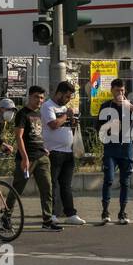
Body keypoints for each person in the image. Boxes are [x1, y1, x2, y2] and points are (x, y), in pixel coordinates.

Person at [5, 86, 61, 230]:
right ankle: (6, 216)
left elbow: (37, 134)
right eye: (36, 97)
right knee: (18, 188)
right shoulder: (22, 114)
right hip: (27, 157)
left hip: (41, 156)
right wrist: (24, 158)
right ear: (30, 97)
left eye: (42, 98)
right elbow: (19, 136)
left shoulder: (39, 113)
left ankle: (47, 220)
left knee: (47, 188)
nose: (39, 100)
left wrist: (44, 148)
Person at [42, 80, 85, 226]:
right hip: (54, 151)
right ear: (59, 93)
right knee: (53, 184)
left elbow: (68, 127)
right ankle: (51, 214)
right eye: (66, 96)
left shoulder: (65, 107)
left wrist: (72, 120)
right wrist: (67, 115)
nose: (68, 100)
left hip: (68, 151)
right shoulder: (48, 106)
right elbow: (53, 125)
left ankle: (71, 213)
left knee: (66, 185)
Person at [99, 79, 133, 225]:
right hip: (111, 148)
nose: (120, 93)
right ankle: (105, 211)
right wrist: (110, 125)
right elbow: (99, 127)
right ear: (112, 91)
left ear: (125, 91)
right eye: (117, 91)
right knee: (108, 179)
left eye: (122, 91)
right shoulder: (106, 106)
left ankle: (122, 212)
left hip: (126, 148)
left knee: (125, 182)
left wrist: (132, 108)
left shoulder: (130, 106)